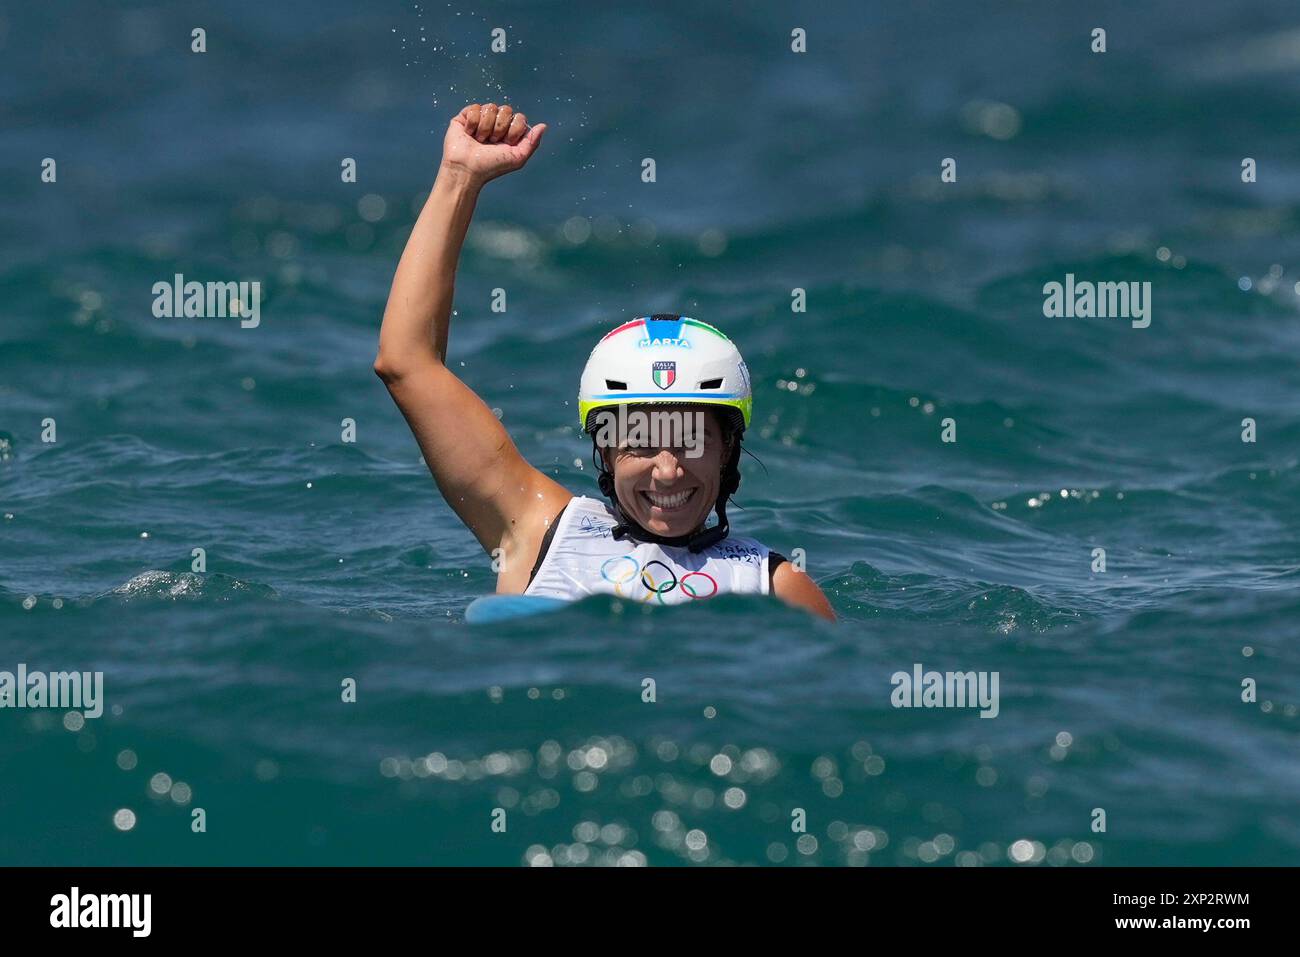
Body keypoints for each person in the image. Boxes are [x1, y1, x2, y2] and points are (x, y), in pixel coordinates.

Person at [374, 103, 835, 621]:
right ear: (607, 447)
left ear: (728, 448)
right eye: (640, 439)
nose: (667, 469)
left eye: (691, 439)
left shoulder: (776, 587)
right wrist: (460, 179)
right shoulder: (534, 528)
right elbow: (406, 363)